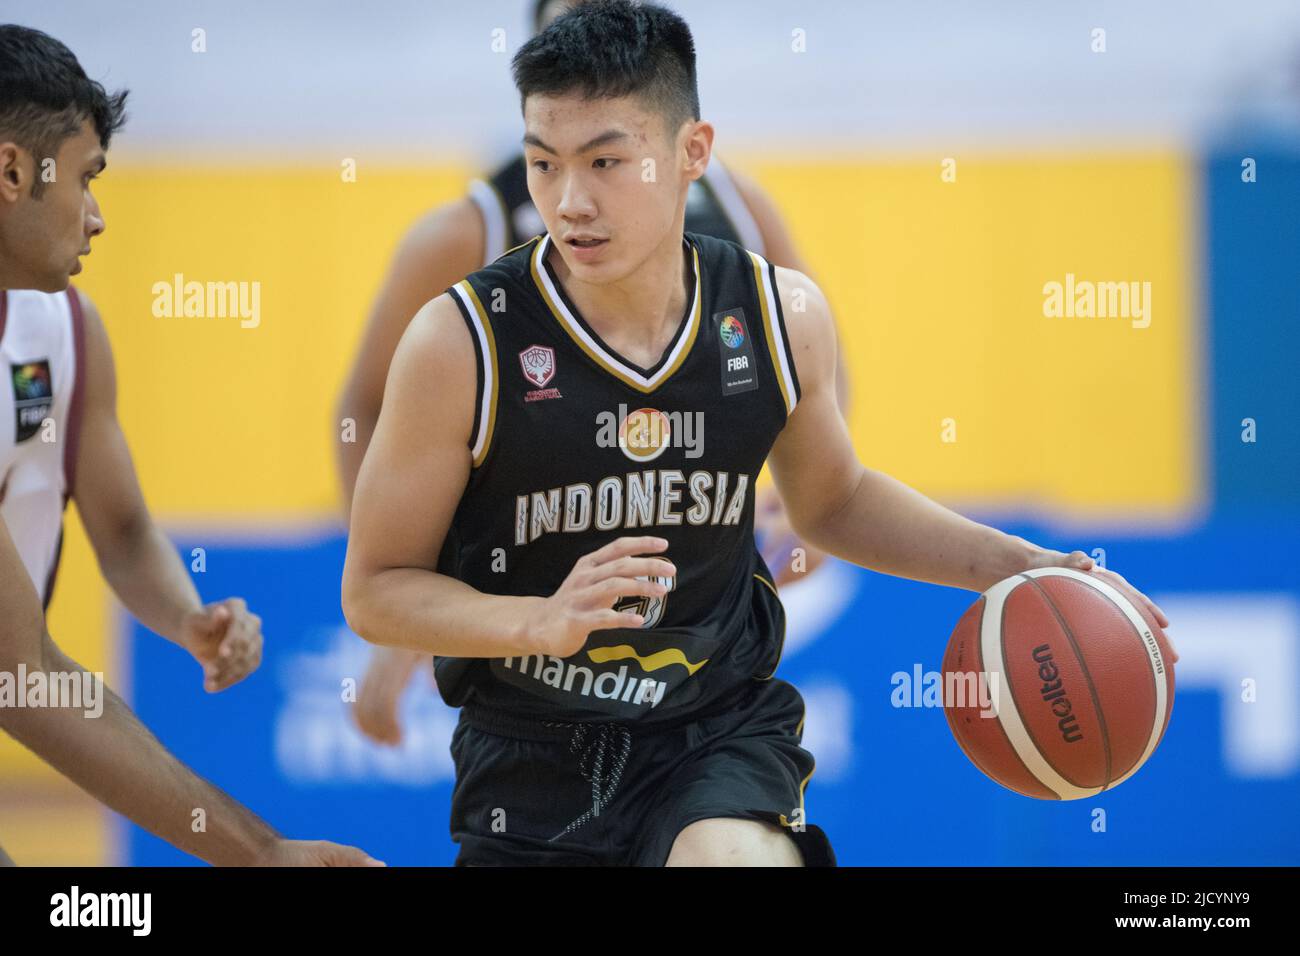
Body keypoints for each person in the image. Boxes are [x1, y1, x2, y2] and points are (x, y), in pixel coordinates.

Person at [342, 0, 1173, 866]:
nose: (571, 200)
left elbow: (836, 500)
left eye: (607, 162)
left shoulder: (778, 316)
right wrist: (535, 621)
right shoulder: (460, 340)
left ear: (693, 152)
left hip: (712, 729)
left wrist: (1019, 564)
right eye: (544, 163)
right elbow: (374, 590)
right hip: (527, 750)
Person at [338, 0, 845, 746]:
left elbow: (811, 378)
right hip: (531, 654)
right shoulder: (469, 232)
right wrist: (413, 607)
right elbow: (366, 411)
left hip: (696, 647)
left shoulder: (740, 210)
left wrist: (806, 504)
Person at [0, 24, 378, 866]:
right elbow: (19, 673)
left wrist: (186, 618)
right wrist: (261, 852)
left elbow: (126, 533)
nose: (97, 218)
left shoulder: (64, 331)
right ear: (12, 172)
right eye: (87, 179)